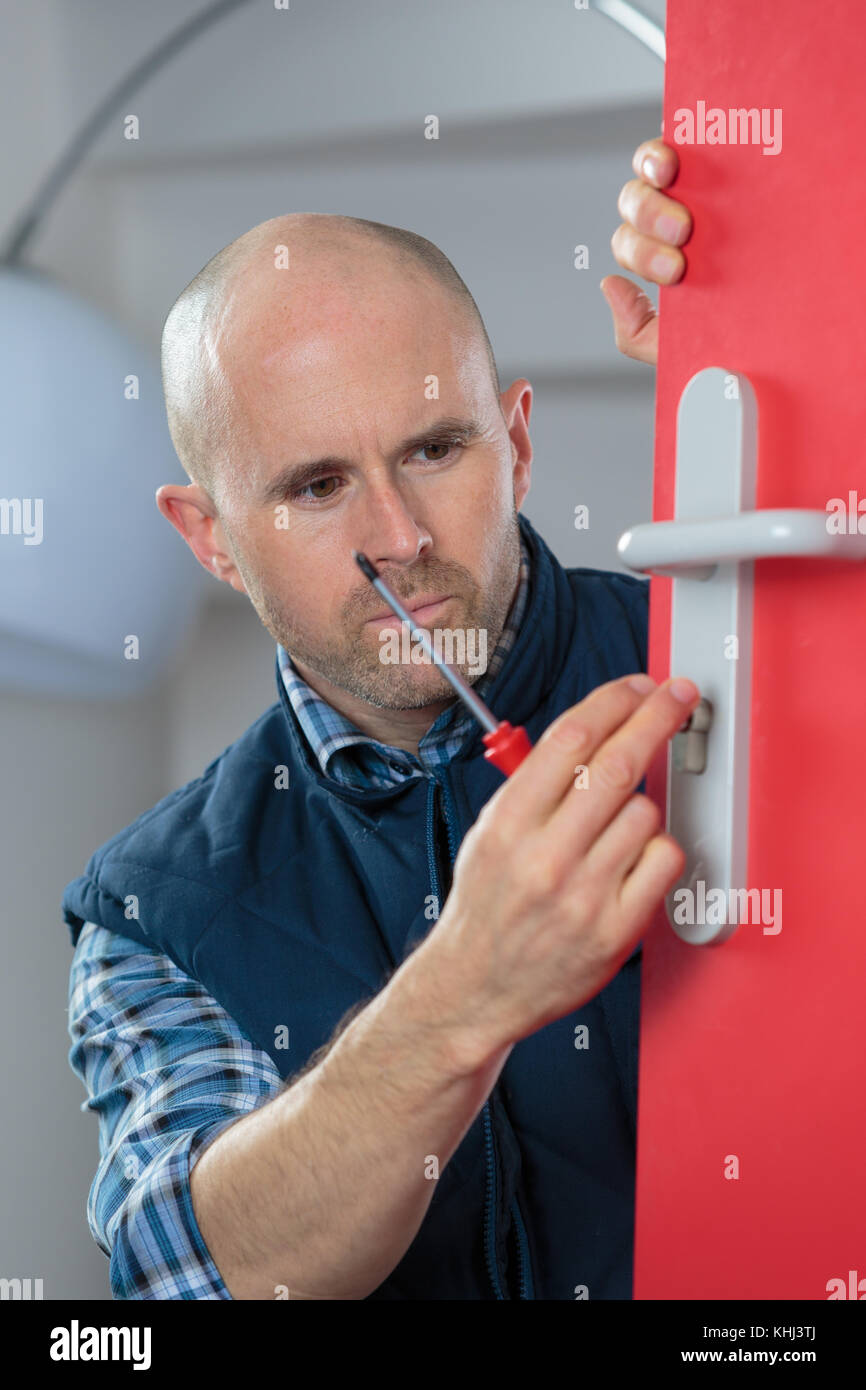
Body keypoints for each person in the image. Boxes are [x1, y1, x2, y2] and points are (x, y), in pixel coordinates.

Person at [63, 136, 694, 1301]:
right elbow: (192, 1282)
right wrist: (465, 993)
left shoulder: (728, 668)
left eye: (435, 447)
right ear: (210, 539)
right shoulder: (151, 907)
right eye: (315, 486)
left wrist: (814, 418)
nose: (399, 538)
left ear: (514, 441)